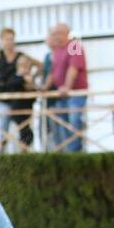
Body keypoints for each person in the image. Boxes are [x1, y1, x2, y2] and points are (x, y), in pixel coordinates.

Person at [0, 28, 38, 151]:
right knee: (4, 126)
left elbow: (38, 65)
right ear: (1, 40)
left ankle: (24, 151)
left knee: (24, 128)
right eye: (7, 39)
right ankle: (2, 151)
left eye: (12, 39)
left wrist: (31, 78)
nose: (10, 42)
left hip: (19, 99)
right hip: (4, 97)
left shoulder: (21, 56)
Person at [43, 22, 88, 152]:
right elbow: (53, 72)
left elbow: (73, 68)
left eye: (58, 33)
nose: (55, 37)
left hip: (75, 94)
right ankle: (68, 152)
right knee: (62, 123)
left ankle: (75, 152)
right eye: (54, 34)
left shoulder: (74, 45)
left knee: (74, 120)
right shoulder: (57, 50)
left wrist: (66, 87)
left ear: (67, 33)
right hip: (62, 95)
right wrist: (44, 88)